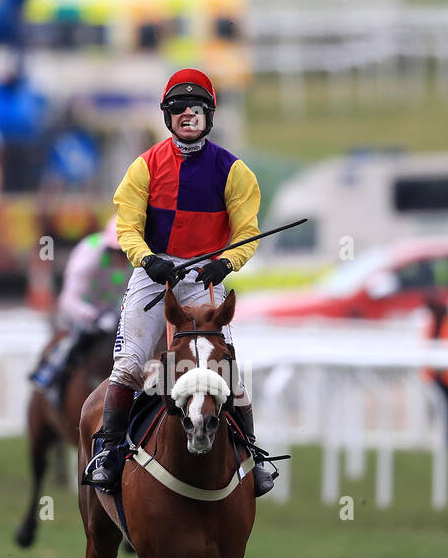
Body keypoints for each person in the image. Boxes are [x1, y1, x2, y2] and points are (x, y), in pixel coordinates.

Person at [84, 68, 274, 496]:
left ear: (210, 114)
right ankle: (109, 451)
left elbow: (247, 233)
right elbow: (128, 228)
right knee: (130, 365)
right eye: (177, 109)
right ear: (166, 116)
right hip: (155, 279)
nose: (187, 115)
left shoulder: (235, 171)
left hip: (204, 280)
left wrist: (225, 263)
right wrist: (148, 260)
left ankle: (252, 455)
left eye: (195, 109)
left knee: (226, 375)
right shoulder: (143, 167)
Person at [30, 214, 131, 406]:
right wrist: (93, 316)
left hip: (113, 312)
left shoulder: (137, 256)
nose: (122, 259)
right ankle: (48, 376)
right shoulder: (89, 256)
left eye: (125, 252)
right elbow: (69, 299)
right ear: (108, 247)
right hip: (78, 312)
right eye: (118, 252)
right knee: (76, 339)